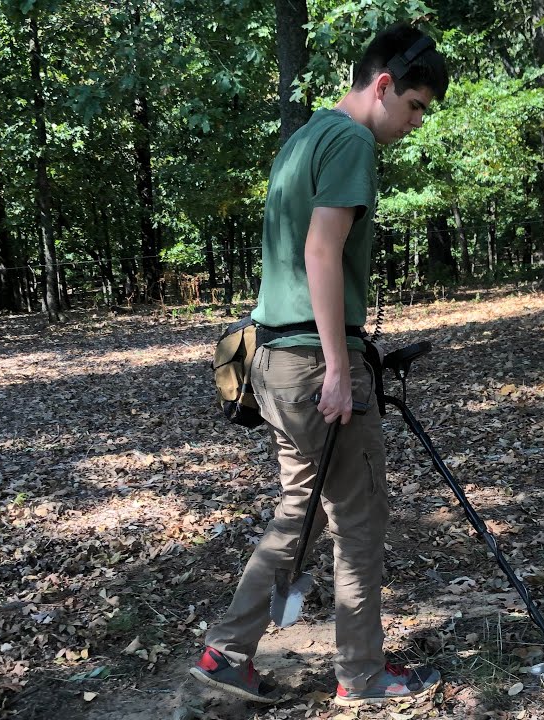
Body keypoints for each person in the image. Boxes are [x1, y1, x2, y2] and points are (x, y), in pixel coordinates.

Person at [190, 22, 450, 708]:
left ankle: (227, 653)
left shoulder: (302, 138)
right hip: (313, 362)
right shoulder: (352, 141)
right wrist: (340, 366)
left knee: (302, 513)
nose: (416, 123)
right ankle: (361, 678)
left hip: (269, 358)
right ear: (383, 84)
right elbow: (319, 252)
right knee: (357, 521)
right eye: (416, 106)